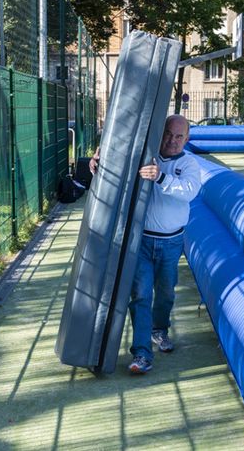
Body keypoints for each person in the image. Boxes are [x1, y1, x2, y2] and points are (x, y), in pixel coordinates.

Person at [89, 114, 201, 374]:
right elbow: (117, 157)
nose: (172, 141)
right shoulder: (145, 157)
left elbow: (190, 191)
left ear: (187, 139)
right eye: (168, 134)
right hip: (141, 242)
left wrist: (161, 178)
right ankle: (142, 354)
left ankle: (159, 330)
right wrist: (97, 161)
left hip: (172, 243)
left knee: (166, 293)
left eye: (178, 136)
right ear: (159, 135)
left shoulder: (190, 164)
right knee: (140, 295)